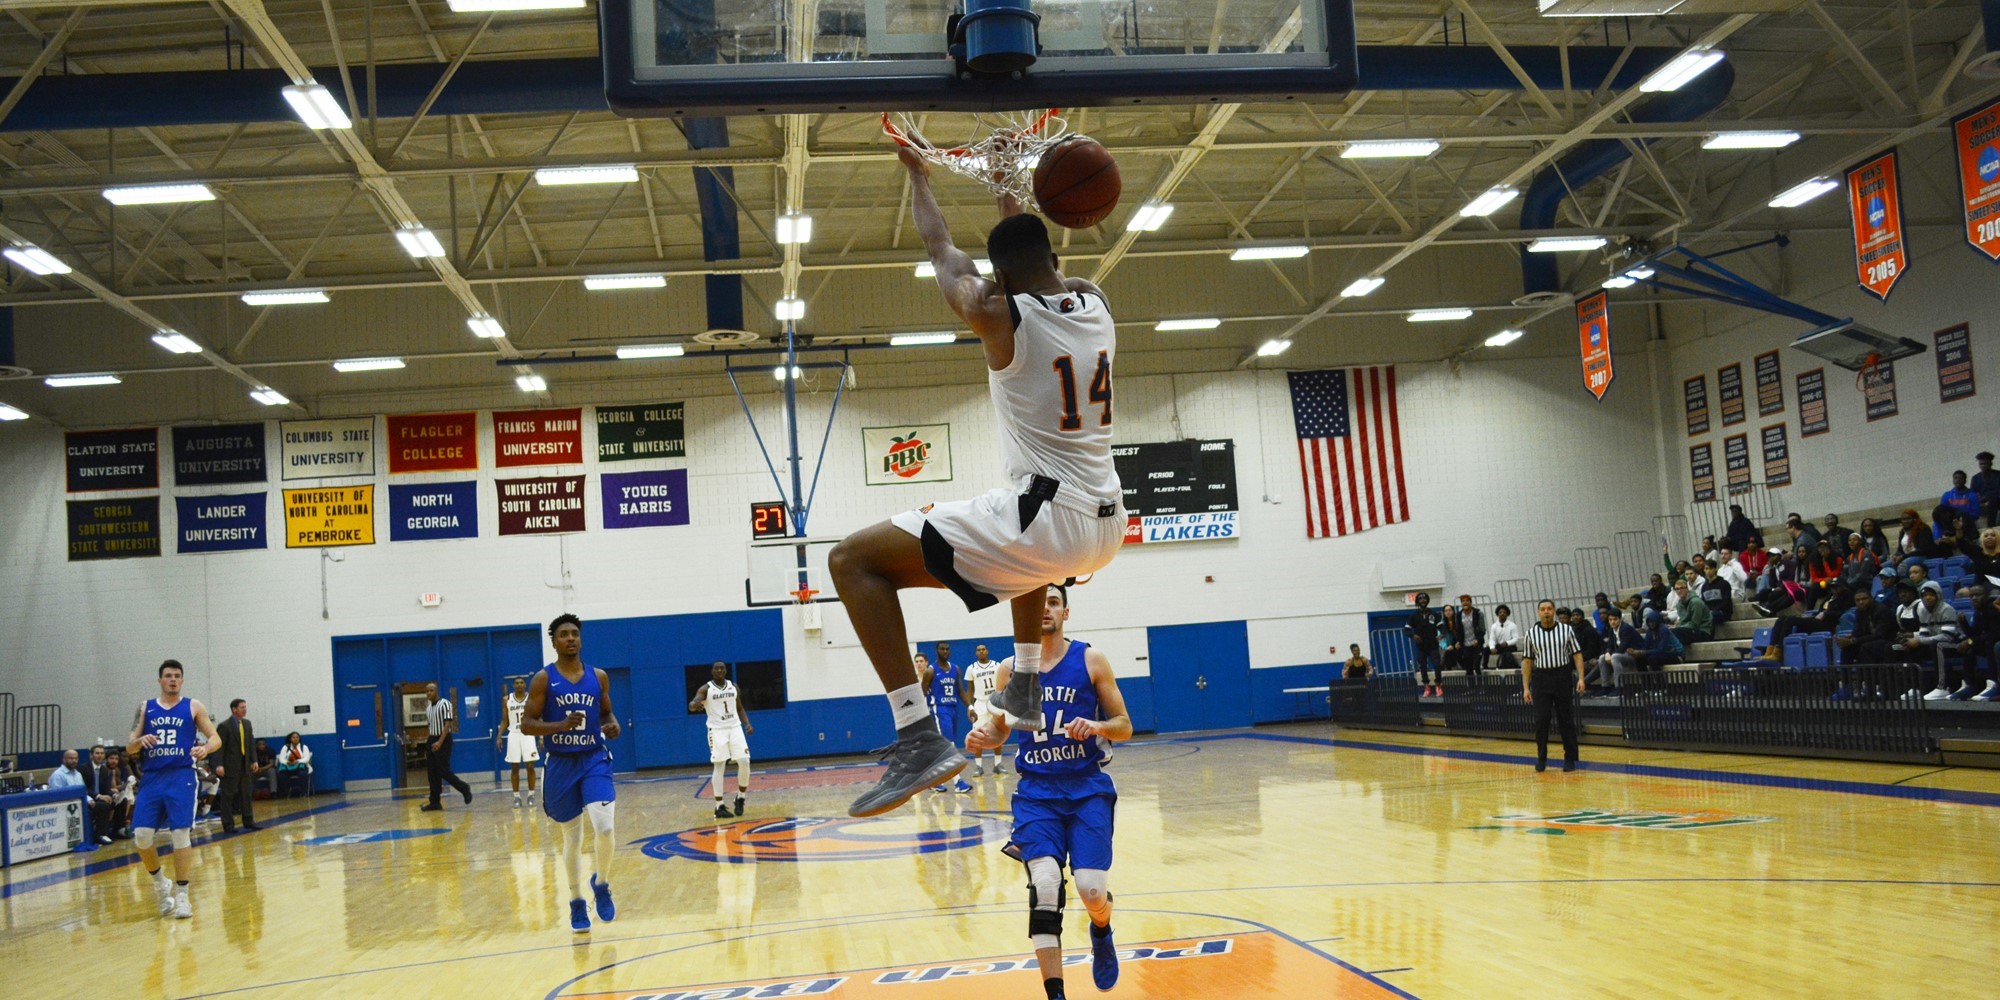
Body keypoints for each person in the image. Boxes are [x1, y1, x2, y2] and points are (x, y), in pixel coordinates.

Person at [825, 147, 1126, 820]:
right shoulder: (1095, 299)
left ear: (1000, 276)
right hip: (1105, 518)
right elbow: (1025, 255)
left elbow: (942, 250)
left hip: (1050, 520)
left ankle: (916, 738)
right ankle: (1025, 684)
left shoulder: (994, 311)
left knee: (852, 560)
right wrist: (1005, 186)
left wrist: (918, 176)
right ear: (1054, 255)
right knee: (1019, 539)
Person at [966, 584, 1131, 1000]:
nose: (1045, 609)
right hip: (1037, 793)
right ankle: (1055, 993)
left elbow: (1125, 725)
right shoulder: (1009, 669)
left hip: (1086, 788)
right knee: (1044, 885)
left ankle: (1101, 929)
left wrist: (1097, 726)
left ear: (1065, 612)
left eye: (1053, 602)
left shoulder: (1090, 659)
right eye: (1039, 602)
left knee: (1091, 889)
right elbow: (1000, 729)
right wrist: (983, 736)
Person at [518, 614, 622, 933]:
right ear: (554, 642)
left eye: (574, 633)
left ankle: (601, 883)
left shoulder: (598, 676)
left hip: (593, 758)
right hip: (561, 762)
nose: (570, 638)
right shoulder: (543, 679)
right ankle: (576, 900)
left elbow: (607, 713)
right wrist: (560, 726)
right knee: (572, 837)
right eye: (563, 634)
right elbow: (526, 724)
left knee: (605, 826)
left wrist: (613, 725)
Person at [127, 659, 222, 919]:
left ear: (182, 680)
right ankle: (161, 883)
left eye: (177, 676)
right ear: (159, 680)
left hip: (181, 776)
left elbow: (215, 738)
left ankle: (182, 895)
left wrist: (205, 749)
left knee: (180, 835)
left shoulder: (193, 706)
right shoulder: (146, 707)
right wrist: (140, 741)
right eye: (168, 676)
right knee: (142, 836)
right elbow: (130, 747)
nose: (173, 680)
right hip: (152, 777)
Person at [1521, 600, 1587, 773]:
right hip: (1541, 678)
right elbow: (1527, 661)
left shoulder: (1566, 630)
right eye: (1543, 609)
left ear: (1554, 611)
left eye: (1549, 609)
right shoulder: (1531, 633)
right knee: (1541, 720)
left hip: (1562, 676)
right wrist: (1526, 687)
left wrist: (1581, 678)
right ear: (1538, 612)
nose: (1546, 612)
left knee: (1566, 719)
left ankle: (1570, 758)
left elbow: (1577, 654)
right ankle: (1541, 758)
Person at [691, 661, 754, 818]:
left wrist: (747, 724)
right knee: (719, 765)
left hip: (735, 727)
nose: (719, 670)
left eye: (722, 668)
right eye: (716, 668)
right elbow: (693, 703)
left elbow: (739, 708)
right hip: (717, 730)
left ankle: (740, 797)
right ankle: (719, 806)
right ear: (712, 671)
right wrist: (695, 705)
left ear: (726, 671)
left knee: (745, 761)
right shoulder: (706, 689)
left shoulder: (733, 687)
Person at [919, 643, 973, 794]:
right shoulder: (930, 671)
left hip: (953, 709)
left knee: (942, 748)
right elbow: (922, 694)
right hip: (939, 710)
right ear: (936, 651)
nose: (945, 651)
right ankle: (958, 782)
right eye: (942, 649)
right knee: (950, 747)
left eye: (947, 649)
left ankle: (934, 781)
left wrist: (970, 707)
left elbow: (960, 691)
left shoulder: (955, 669)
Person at [419, 682, 473, 812]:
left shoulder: (445, 704)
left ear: (436, 691)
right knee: (432, 772)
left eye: (431, 690)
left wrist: (440, 742)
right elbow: (431, 727)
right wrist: (428, 745)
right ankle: (435, 802)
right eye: (427, 691)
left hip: (444, 739)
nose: (428, 693)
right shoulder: (428, 708)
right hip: (432, 739)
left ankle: (464, 788)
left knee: (443, 771)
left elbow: (447, 724)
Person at [213, 698, 260, 833]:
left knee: (246, 794)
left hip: (245, 765)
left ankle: (249, 821)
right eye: (242, 707)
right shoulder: (224, 726)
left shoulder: (247, 724)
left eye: (245, 707)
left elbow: (251, 743)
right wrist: (219, 764)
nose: (245, 709)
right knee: (228, 796)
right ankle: (228, 824)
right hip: (229, 766)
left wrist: (254, 760)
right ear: (234, 709)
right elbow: (219, 747)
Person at [964, 644, 1009, 777]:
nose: (981, 651)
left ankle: (998, 764)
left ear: (987, 651)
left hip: (994, 700)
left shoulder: (997, 665)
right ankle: (978, 766)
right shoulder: (971, 668)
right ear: (976, 653)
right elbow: (970, 690)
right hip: (980, 703)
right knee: (977, 734)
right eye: (978, 650)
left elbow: (1003, 684)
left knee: (998, 731)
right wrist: (970, 707)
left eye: (983, 649)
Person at [498, 677, 539, 808]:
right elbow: (505, 720)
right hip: (514, 734)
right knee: (514, 767)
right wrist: (499, 736)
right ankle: (516, 797)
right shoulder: (507, 699)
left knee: (530, 766)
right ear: (513, 686)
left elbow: (537, 717)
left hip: (528, 734)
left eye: (521, 683)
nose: (519, 685)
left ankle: (531, 795)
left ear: (525, 685)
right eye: (517, 683)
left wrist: (541, 737)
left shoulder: (530, 698)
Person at [1404, 593, 1443, 696]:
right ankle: (1426, 686)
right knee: (1422, 666)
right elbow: (1406, 629)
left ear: (1427, 601)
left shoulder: (1434, 614)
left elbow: (1442, 627)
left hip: (1433, 645)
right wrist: (1413, 635)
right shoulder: (1413, 616)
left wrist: (1441, 635)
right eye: (1420, 599)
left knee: (1437, 665)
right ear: (1417, 602)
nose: (1423, 601)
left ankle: (1438, 685)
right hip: (1421, 646)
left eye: (1425, 599)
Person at [274, 732, 312, 798]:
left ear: (299, 738)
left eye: (297, 737)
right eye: (293, 737)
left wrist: (297, 761)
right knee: (281, 775)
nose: (295, 739)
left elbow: (307, 759)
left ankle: (303, 793)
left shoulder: (304, 747)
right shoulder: (286, 747)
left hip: (300, 766)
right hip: (288, 767)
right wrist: (287, 762)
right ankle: (286, 792)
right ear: (290, 739)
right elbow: (281, 759)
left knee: (302, 774)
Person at [1487, 604, 1521, 673]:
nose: (1502, 614)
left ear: (1507, 614)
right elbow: (1492, 639)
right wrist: (1492, 647)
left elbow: (1515, 639)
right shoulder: (1494, 626)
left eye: (1504, 612)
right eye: (1500, 612)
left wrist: (1507, 643)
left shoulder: (1512, 625)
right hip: (1499, 646)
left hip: (1509, 646)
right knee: (1485, 650)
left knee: (1506, 653)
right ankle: (1485, 668)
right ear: (1497, 614)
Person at [1973, 451, 2000, 529]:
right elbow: (1973, 494)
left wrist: (1988, 497)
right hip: (1982, 504)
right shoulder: (1976, 478)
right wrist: (1979, 498)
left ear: (1991, 463)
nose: (1983, 466)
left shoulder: (1998, 475)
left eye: (1985, 464)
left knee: (1992, 501)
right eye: (1981, 464)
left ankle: (1990, 527)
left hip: (1997, 501)